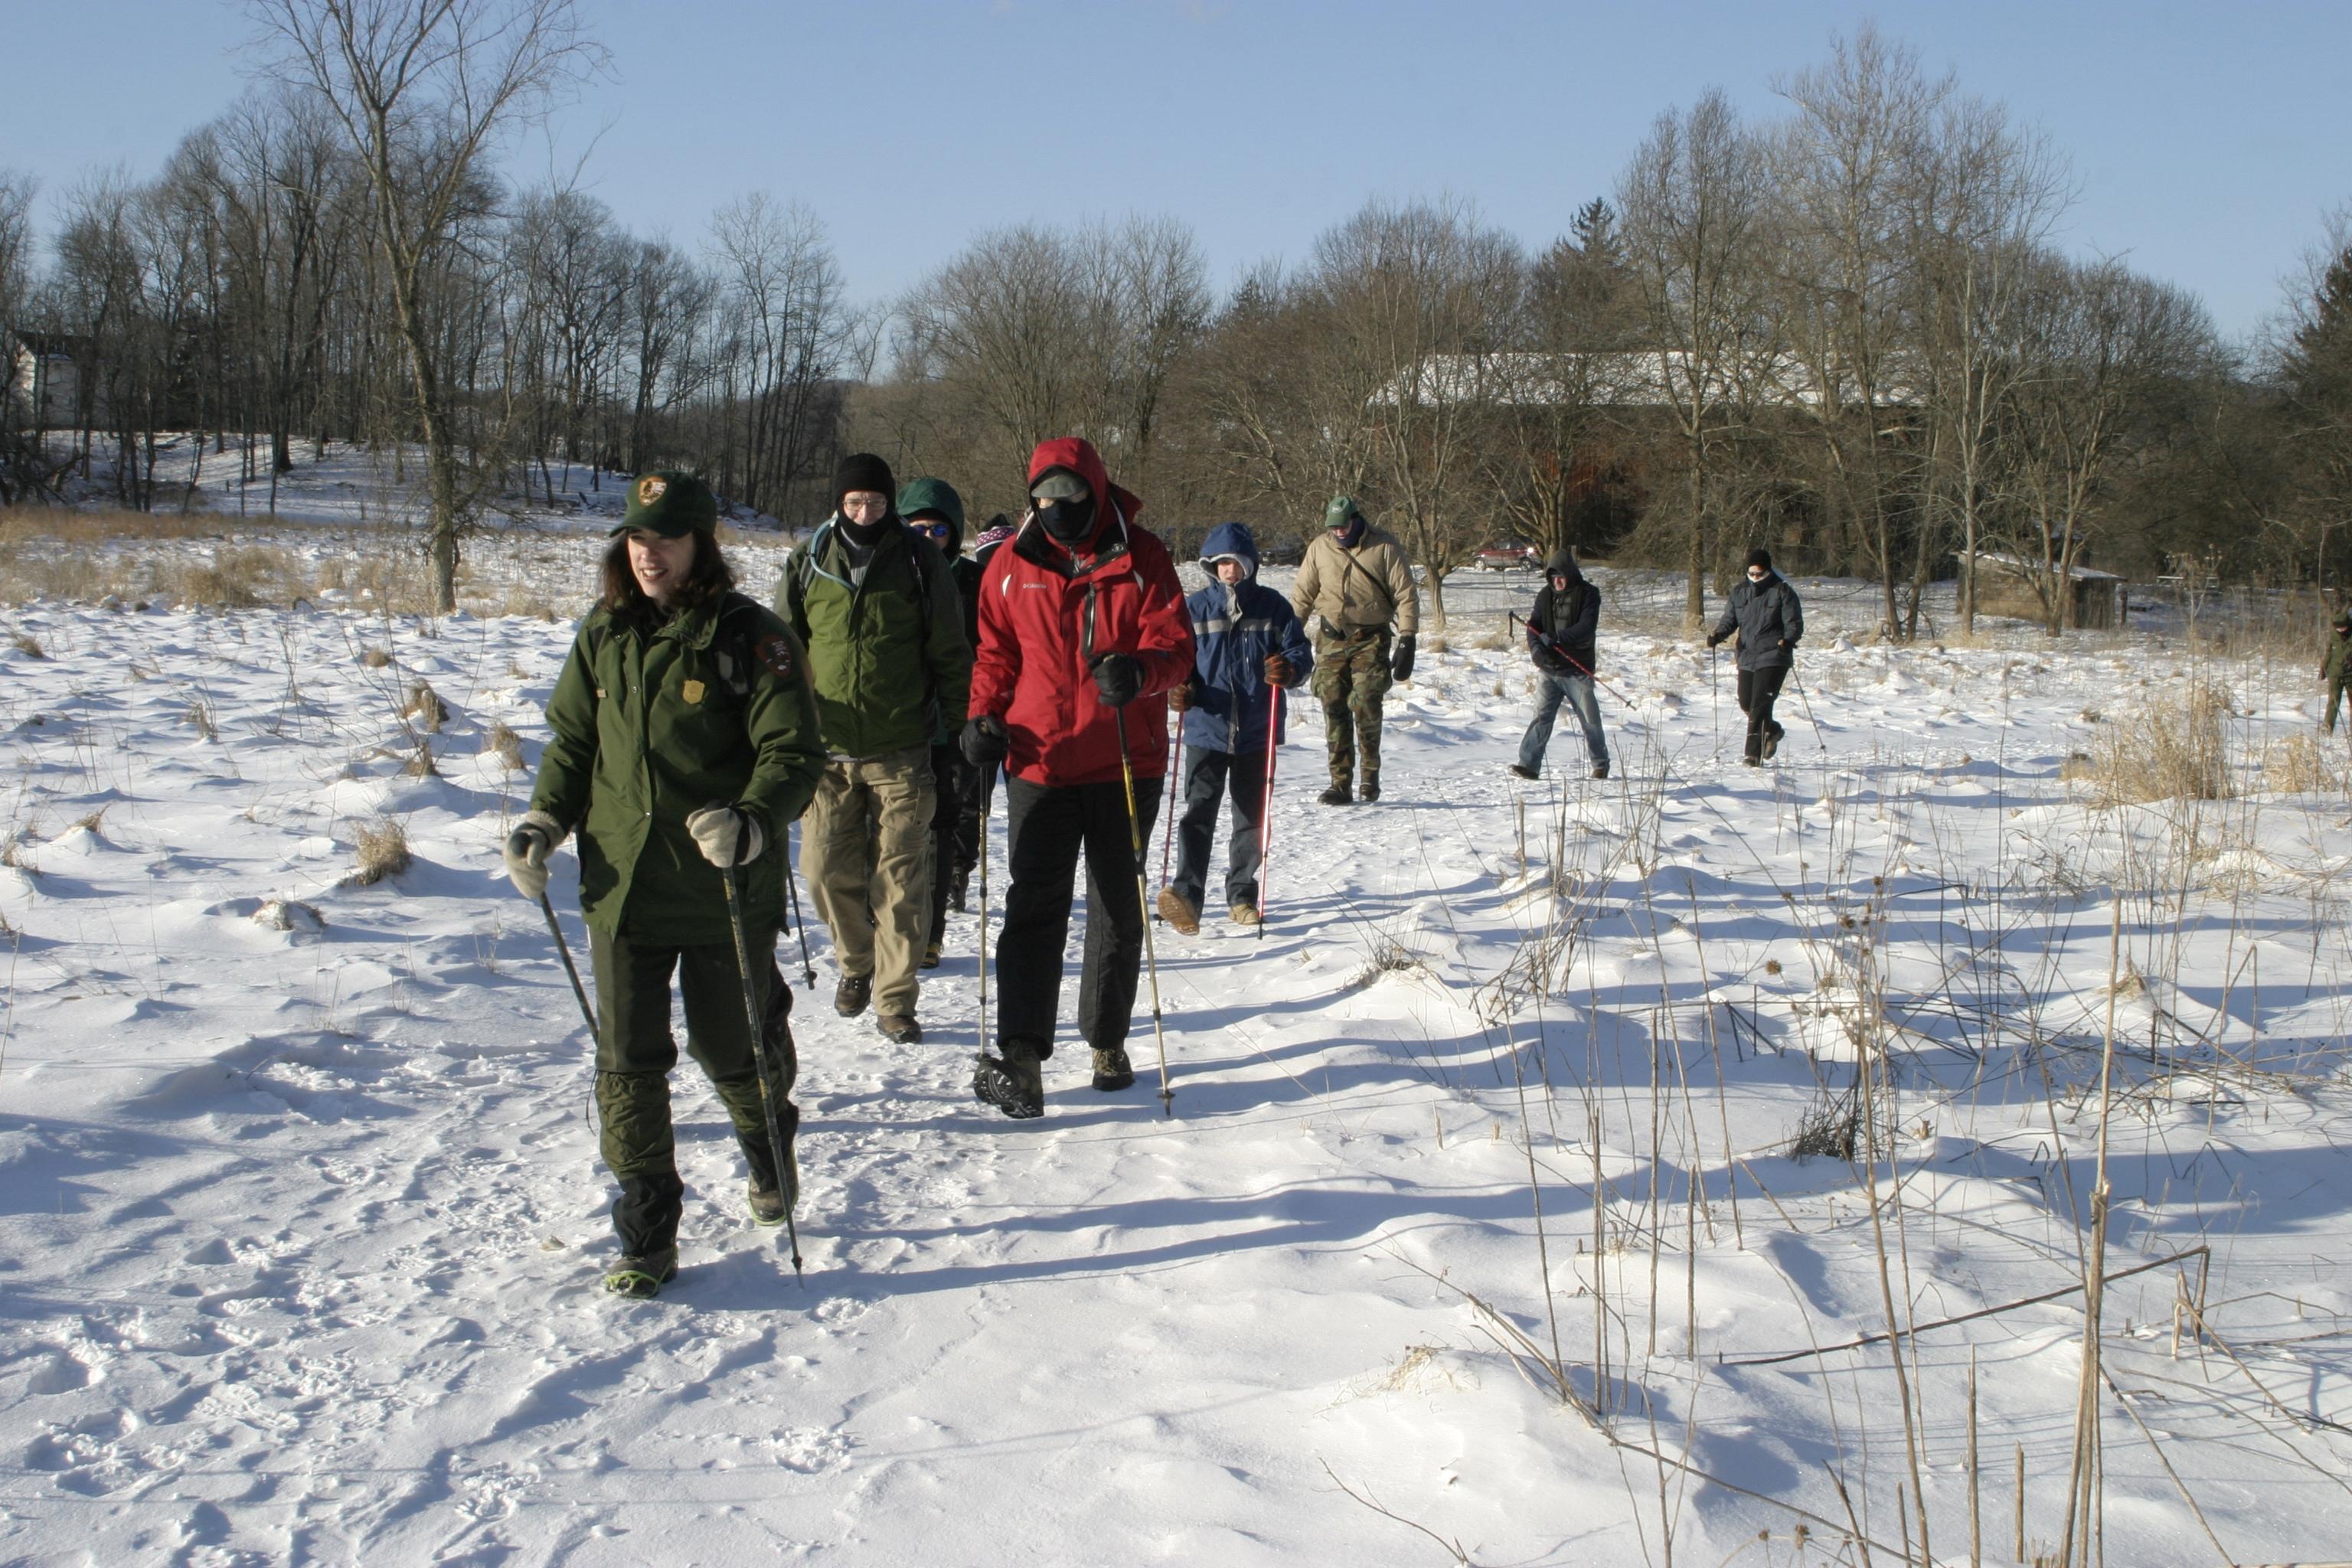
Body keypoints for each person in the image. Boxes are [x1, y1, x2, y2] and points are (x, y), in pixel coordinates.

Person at [504, 471, 825, 1300]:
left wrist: (753, 819)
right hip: (623, 886)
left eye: (666, 541)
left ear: (701, 545)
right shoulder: (603, 633)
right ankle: (647, 1228)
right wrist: (545, 820)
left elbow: (792, 752)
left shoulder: (754, 638)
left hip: (723, 886)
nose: (648, 557)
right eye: (637, 541)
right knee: (626, 1062)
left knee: (732, 1045)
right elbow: (575, 743)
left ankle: (768, 1145)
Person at [962, 436, 1193, 1118]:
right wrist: (981, 717)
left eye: (1070, 495)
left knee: (1117, 906)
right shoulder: (1010, 564)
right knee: (1034, 905)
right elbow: (994, 654)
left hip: (1125, 756)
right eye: (1044, 496)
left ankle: (1107, 1037)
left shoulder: (1143, 555)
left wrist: (1141, 672)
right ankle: (1023, 1055)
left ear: (1094, 489)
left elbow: (1176, 648)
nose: (1057, 507)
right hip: (1039, 760)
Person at [778, 453, 972, 1044]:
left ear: (891, 505)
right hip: (829, 752)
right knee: (820, 871)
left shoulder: (919, 563)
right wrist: (782, 730)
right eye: (855, 502)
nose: (866, 512)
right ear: (840, 502)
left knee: (901, 880)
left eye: (877, 503)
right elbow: (783, 652)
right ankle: (857, 964)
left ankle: (894, 1000)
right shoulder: (808, 562)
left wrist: (959, 732)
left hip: (901, 751)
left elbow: (950, 650)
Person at [1159, 522, 1313, 933]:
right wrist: (1179, 690)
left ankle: (1242, 895)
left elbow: (1300, 652)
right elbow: (1176, 662)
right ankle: (1186, 897)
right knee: (1197, 814)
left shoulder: (1274, 607)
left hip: (1256, 732)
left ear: (1251, 565)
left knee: (1251, 817)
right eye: (1222, 563)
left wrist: (1291, 668)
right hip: (1205, 728)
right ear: (1212, 566)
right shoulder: (1193, 609)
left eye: (1237, 562)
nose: (1230, 570)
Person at [897, 475, 982, 963]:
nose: (928, 540)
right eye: (918, 529)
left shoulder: (973, 580)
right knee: (896, 825)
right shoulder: (892, 574)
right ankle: (890, 922)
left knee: (943, 821)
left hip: (957, 717)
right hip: (901, 717)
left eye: (939, 532)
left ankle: (931, 931)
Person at [1291, 495, 1419, 805]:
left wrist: (1407, 638)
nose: (1339, 532)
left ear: (1356, 520)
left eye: (1344, 526)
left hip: (1370, 638)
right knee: (1332, 704)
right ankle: (1340, 783)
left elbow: (1405, 594)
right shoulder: (1319, 548)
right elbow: (1302, 595)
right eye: (1333, 528)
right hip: (1331, 638)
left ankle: (1369, 777)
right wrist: (1289, 633)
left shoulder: (1384, 547)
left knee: (1365, 703)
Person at [1508, 548, 1610, 781]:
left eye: (1561, 576)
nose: (1558, 581)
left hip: (1577, 670)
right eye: (1553, 577)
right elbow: (1534, 624)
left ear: (1571, 574)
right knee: (1541, 718)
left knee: (1590, 721)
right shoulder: (1545, 595)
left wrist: (1557, 638)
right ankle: (1529, 765)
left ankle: (1600, 764)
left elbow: (1586, 627)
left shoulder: (1589, 594)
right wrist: (1536, 650)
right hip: (1550, 670)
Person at [1707, 547, 1805, 766]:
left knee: (1760, 704)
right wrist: (1718, 635)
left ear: (1768, 571)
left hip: (1774, 655)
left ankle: (1752, 755)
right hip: (1747, 655)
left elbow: (1794, 623)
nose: (1755, 578)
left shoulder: (1782, 592)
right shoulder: (1739, 592)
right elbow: (1730, 620)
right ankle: (1773, 730)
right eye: (1752, 573)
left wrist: (1788, 641)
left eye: (1760, 573)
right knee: (1746, 703)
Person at [2324, 609, 2352, 733]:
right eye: (2338, 628)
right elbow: (2329, 652)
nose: (2340, 630)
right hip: (2335, 674)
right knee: (2333, 702)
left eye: (2343, 627)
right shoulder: (2333, 636)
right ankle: (2327, 729)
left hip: (2350, 675)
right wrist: (2323, 667)